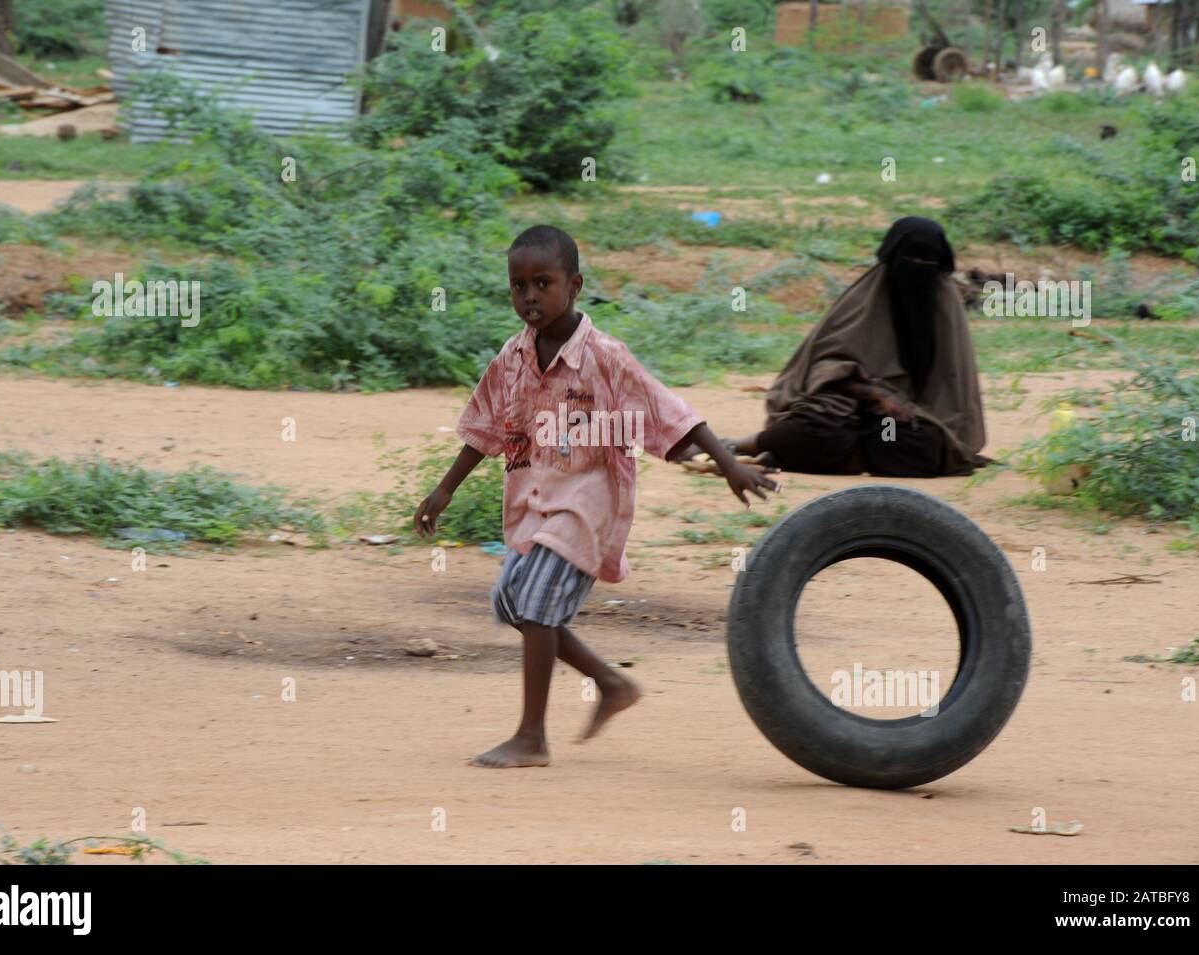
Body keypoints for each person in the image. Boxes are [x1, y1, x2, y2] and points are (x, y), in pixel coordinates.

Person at [414, 225, 777, 768]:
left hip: (588, 503)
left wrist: (729, 466)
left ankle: (531, 739)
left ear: (575, 285)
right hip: (535, 499)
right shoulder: (512, 358)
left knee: (536, 610)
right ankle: (610, 683)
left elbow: (669, 410)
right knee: (513, 605)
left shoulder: (605, 356)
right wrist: (444, 488)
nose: (529, 296)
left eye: (543, 283)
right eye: (518, 286)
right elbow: (483, 427)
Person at [712, 217, 992, 477]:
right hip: (840, 413)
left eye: (927, 262)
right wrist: (879, 394)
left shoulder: (945, 308)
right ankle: (739, 445)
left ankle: (827, 459)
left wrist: (903, 409)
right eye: (909, 260)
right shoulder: (864, 300)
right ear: (891, 260)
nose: (917, 269)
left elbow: (951, 392)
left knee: (923, 443)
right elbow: (826, 370)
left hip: (895, 426)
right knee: (811, 430)